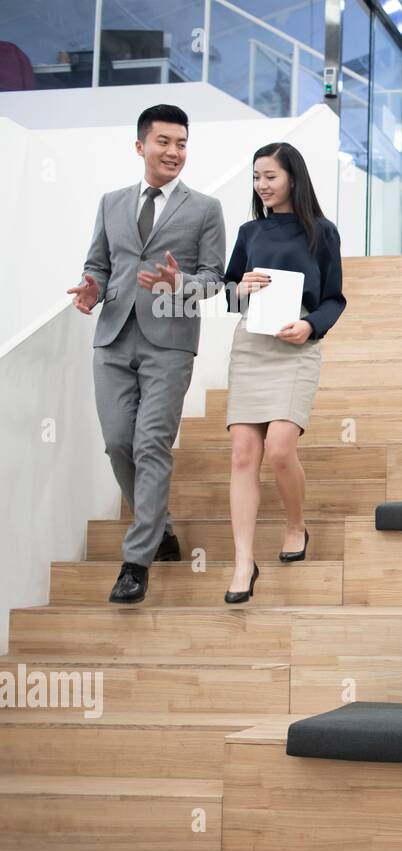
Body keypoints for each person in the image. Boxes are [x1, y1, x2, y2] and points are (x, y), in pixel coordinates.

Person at [69, 104, 226, 604]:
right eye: (164, 142)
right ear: (141, 146)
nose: (174, 152)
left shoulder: (205, 209)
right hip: (113, 336)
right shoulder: (112, 202)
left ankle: (136, 564)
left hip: (170, 342)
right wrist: (92, 289)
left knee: (151, 444)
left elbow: (215, 280)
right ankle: (160, 529)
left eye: (182, 143)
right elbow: (98, 262)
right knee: (119, 443)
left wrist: (179, 283)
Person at [220, 142, 345, 603]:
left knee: (278, 449)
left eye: (270, 176)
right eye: (256, 177)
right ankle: (242, 563)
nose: (262, 186)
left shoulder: (323, 233)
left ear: (292, 176)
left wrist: (311, 324)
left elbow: (334, 298)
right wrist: (240, 287)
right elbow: (227, 294)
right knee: (241, 456)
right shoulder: (250, 231)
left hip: (296, 349)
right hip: (252, 346)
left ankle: (296, 525)